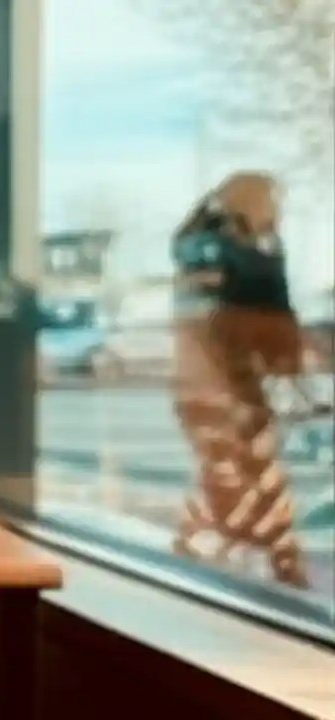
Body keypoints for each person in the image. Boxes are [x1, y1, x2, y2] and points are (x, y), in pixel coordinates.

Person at [170, 172, 323, 588]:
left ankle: (192, 557)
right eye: (274, 208)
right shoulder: (246, 261)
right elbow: (273, 332)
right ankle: (289, 579)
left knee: (226, 481)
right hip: (229, 392)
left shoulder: (193, 248)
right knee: (252, 487)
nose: (277, 218)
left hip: (200, 389)